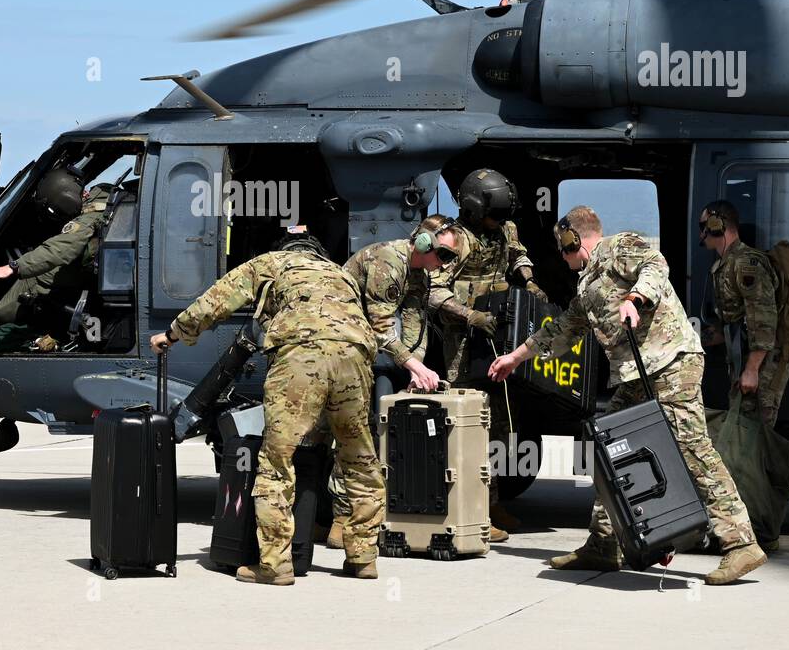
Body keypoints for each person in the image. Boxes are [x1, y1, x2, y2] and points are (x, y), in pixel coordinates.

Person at [488, 205, 766, 586]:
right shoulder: (587, 286)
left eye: (562, 246)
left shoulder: (621, 247)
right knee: (606, 452)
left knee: (693, 450)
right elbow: (563, 330)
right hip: (634, 375)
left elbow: (655, 265)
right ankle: (604, 543)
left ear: (572, 239)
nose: (562, 255)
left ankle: (741, 543)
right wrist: (515, 358)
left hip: (670, 364)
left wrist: (635, 301)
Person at [150, 231, 382, 586]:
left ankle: (275, 565)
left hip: (301, 354)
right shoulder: (342, 274)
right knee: (358, 458)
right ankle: (363, 557)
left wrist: (173, 333)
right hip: (355, 356)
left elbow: (217, 300)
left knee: (277, 460)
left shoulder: (272, 263)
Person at [323, 215, 460, 548]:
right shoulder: (388, 262)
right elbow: (381, 327)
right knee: (353, 429)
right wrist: (412, 365)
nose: (444, 263)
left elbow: (415, 326)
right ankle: (340, 521)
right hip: (337, 340)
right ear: (424, 243)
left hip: (364, 344)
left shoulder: (418, 274)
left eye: (451, 258)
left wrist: (416, 371)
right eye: (442, 254)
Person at [428, 168, 545, 535]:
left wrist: (529, 281)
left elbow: (518, 255)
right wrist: (470, 315)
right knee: (468, 426)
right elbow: (433, 290)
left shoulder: (504, 229)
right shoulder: (454, 239)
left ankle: (493, 504)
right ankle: (472, 510)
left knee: (497, 424)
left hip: (497, 337)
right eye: (494, 215)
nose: (500, 222)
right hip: (463, 345)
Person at [699, 199, 789, 550]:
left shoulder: (747, 263)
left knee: (755, 444)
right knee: (745, 442)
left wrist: (752, 369)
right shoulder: (726, 264)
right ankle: (751, 520)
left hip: (762, 368)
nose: (701, 233)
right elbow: (739, 319)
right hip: (745, 363)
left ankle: (762, 527)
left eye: (705, 225)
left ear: (720, 226)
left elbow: (764, 323)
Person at [0, 168, 109, 349]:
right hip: (106, 271)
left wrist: (12, 267)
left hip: (97, 274)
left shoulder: (88, 219)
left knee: (38, 276)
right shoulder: (106, 199)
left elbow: (59, 248)